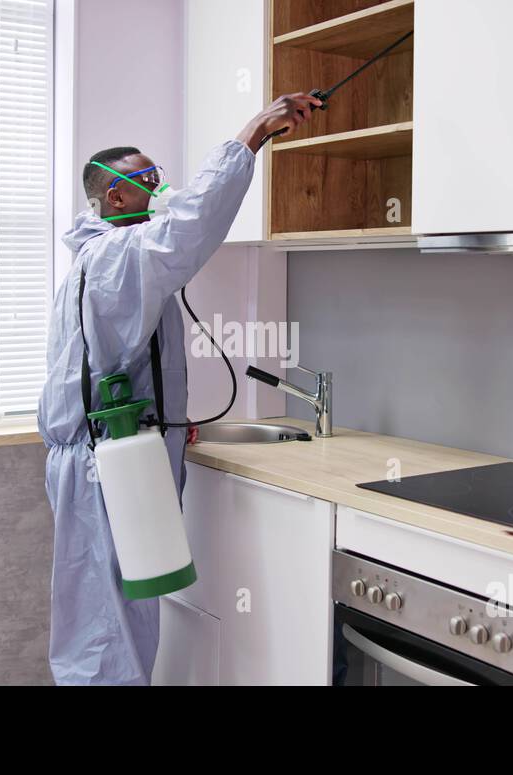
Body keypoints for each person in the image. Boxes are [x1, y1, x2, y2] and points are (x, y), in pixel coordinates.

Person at [37, 93, 324, 685]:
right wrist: (252, 134)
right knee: (108, 628)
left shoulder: (105, 258)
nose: (158, 187)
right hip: (107, 468)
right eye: (145, 179)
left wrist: (165, 419)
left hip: (107, 456)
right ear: (113, 195)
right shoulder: (117, 257)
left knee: (115, 615)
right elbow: (191, 223)